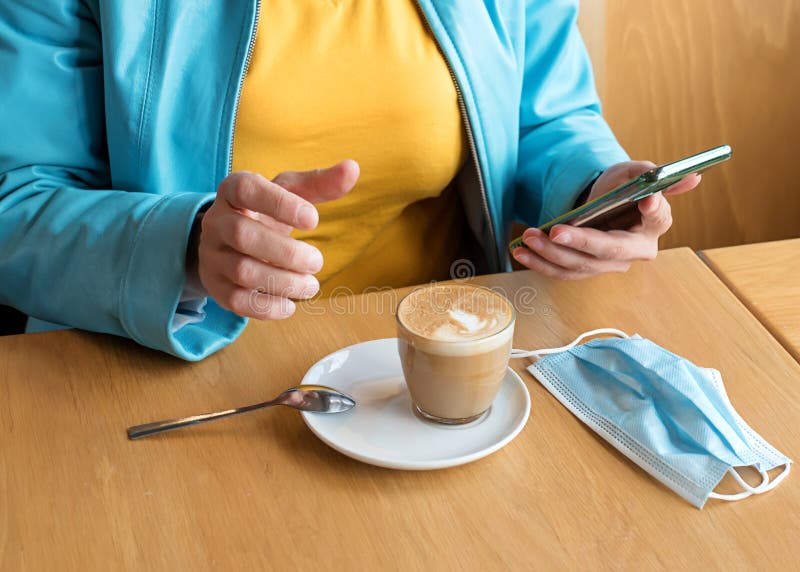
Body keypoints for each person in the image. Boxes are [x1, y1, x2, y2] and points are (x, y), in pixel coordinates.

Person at [0, 1, 699, 359]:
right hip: (175, 373)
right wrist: (184, 250)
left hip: (440, 360)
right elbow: (16, 207)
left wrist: (597, 194)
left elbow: (548, 117)